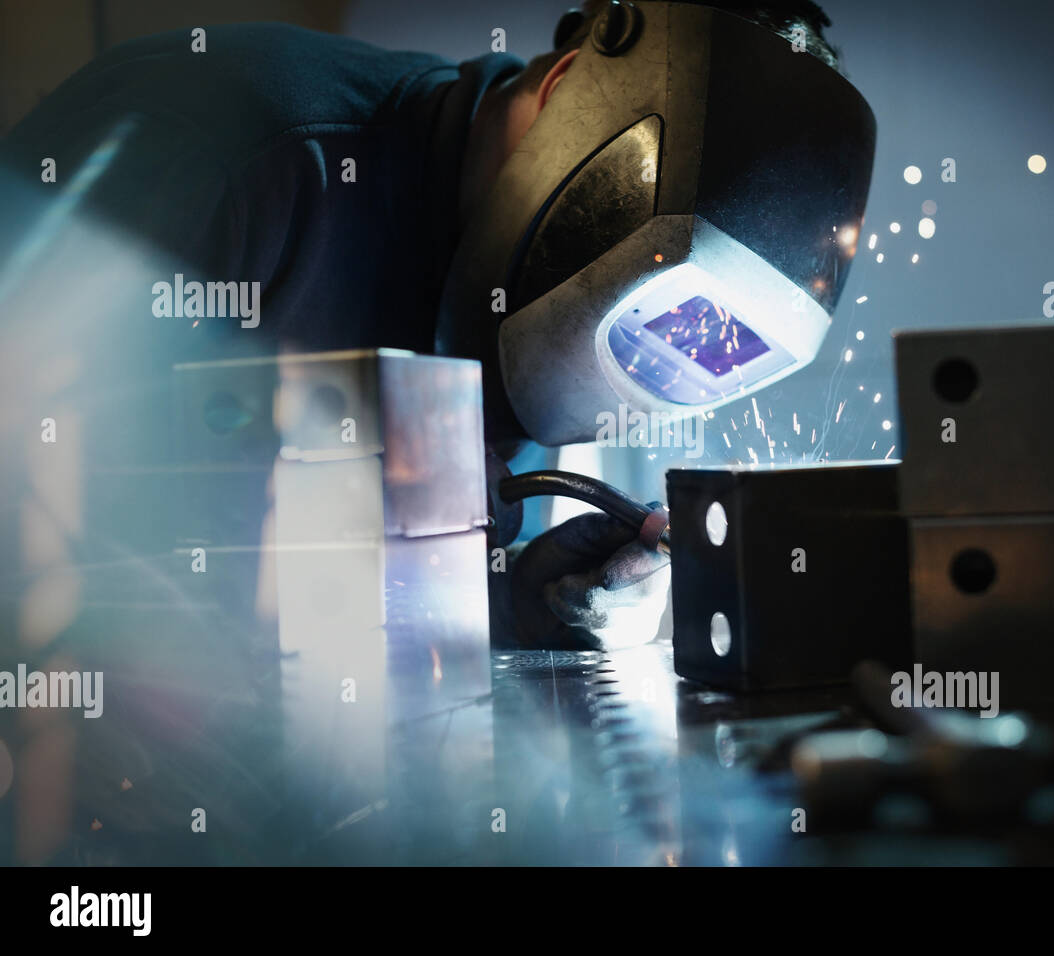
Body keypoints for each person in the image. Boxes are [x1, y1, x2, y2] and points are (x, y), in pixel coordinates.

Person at [0, 0, 869, 650]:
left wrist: (499, 608)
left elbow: (362, 642)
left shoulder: (527, 283)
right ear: (568, 91)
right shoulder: (232, 148)